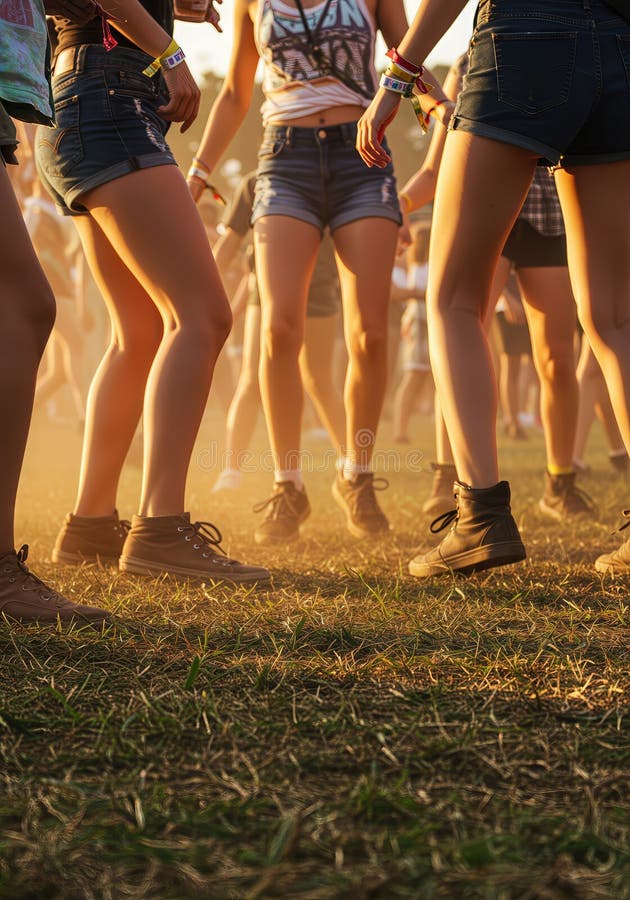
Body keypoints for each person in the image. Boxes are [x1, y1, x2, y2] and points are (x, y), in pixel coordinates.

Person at [357, 0, 630, 576]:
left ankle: (479, 517)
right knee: (613, 318)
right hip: (618, 48)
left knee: (454, 298)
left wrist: (400, 74)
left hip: (523, 39)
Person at [187, 0, 450, 543]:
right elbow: (238, 90)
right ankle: (288, 484)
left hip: (365, 156)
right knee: (281, 329)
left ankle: (357, 473)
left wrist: (439, 105)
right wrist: (200, 171)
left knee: (370, 336)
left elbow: (407, 54)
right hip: (284, 157)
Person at [35, 0, 269, 582]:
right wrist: (170, 52)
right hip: (109, 100)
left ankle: (90, 522)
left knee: (138, 333)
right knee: (203, 317)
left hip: (79, 101)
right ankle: (161, 529)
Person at [210, 171, 346, 493]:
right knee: (252, 380)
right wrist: (205, 290)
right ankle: (232, 470)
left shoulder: (332, 174)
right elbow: (229, 243)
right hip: (265, 290)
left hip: (320, 286)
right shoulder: (255, 183)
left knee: (318, 378)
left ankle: (351, 467)